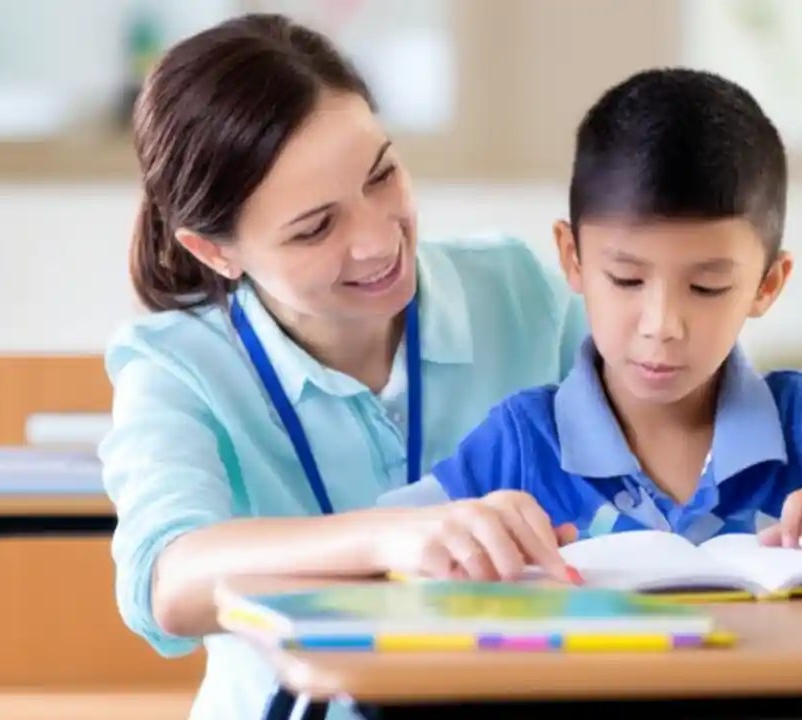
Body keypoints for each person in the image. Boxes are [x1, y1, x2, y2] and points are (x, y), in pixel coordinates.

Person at [100, 14, 584, 719]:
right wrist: (395, 536)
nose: (378, 240)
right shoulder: (176, 366)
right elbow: (168, 583)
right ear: (215, 252)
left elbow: (681, 449)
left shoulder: (518, 291)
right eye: (316, 228)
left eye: (382, 175)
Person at [380, 68, 802, 559]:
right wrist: (457, 539)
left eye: (707, 288)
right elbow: (376, 535)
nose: (661, 323)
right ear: (573, 259)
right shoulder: (523, 445)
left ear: (768, 285)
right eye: (625, 278)